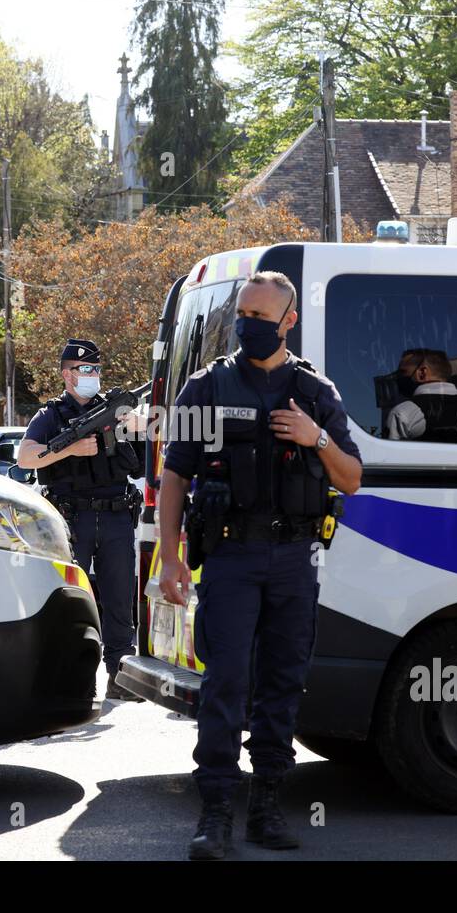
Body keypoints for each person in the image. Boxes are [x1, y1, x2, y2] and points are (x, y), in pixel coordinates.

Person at [157, 271, 362, 860]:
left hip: (295, 559)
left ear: (289, 322)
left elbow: (352, 475)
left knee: (282, 683)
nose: (247, 325)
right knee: (225, 684)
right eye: (242, 314)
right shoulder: (206, 387)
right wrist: (169, 558)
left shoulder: (315, 392)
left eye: (260, 317)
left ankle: (267, 807)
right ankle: (216, 811)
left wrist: (315, 436)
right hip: (230, 557)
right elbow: (176, 475)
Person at [17, 339, 147, 703]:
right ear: (66, 374)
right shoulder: (51, 415)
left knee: (120, 600)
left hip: (118, 517)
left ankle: (120, 675)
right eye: (83, 369)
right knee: (73, 600)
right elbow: (26, 457)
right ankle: (75, 680)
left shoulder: (114, 410)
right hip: (73, 521)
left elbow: (153, 446)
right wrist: (71, 448)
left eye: (94, 369)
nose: (91, 375)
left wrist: (137, 425)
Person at [385, 349, 457, 442]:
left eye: (402, 372)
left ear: (422, 373)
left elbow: (389, 454)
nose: (398, 378)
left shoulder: (403, 412)